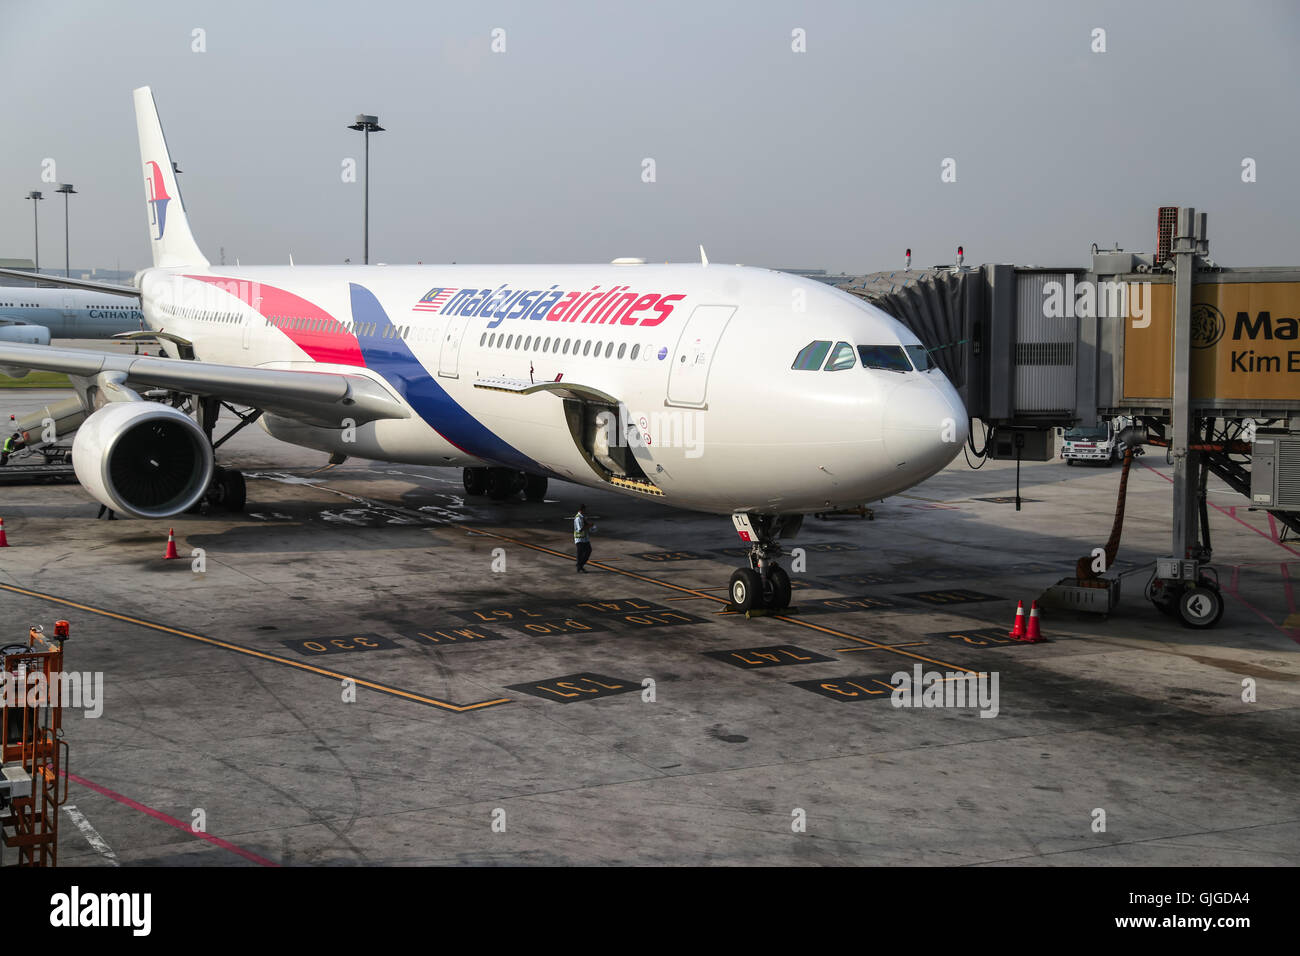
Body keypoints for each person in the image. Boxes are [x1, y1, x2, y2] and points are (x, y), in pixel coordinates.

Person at [573, 504, 595, 573]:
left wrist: (590, 527)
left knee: (588, 551)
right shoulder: (578, 518)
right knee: (580, 553)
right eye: (584, 510)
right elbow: (580, 529)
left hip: (585, 538)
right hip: (579, 539)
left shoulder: (583, 517)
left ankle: (580, 565)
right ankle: (579, 566)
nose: (585, 511)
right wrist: (589, 526)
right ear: (581, 510)